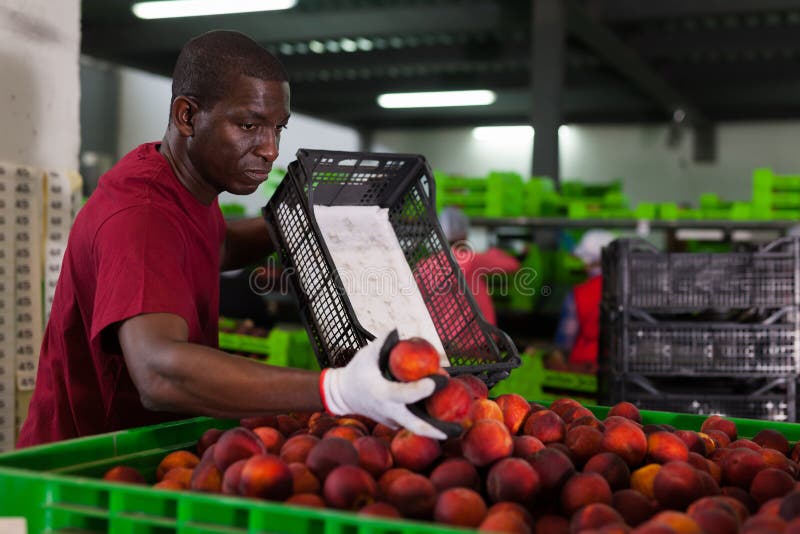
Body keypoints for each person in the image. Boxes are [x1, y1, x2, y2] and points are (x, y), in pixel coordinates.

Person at [18, 30, 446, 447]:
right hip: (88, 466)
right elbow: (158, 372)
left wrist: (298, 224)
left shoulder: (184, 185)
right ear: (188, 116)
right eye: (248, 125)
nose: (270, 149)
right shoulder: (142, 215)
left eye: (278, 128)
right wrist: (336, 389)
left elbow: (212, 248)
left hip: (149, 449)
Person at [439, 206, 521, 327]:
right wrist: (494, 252)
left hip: (444, 336)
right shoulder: (471, 260)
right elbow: (512, 264)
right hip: (477, 338)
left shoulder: (429, 262)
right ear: (465, 234)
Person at [554, 229, 616, 370]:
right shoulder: (631, 289)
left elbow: (566, 338)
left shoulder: (580, 292)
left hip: (584, 366)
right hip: (620, 366)